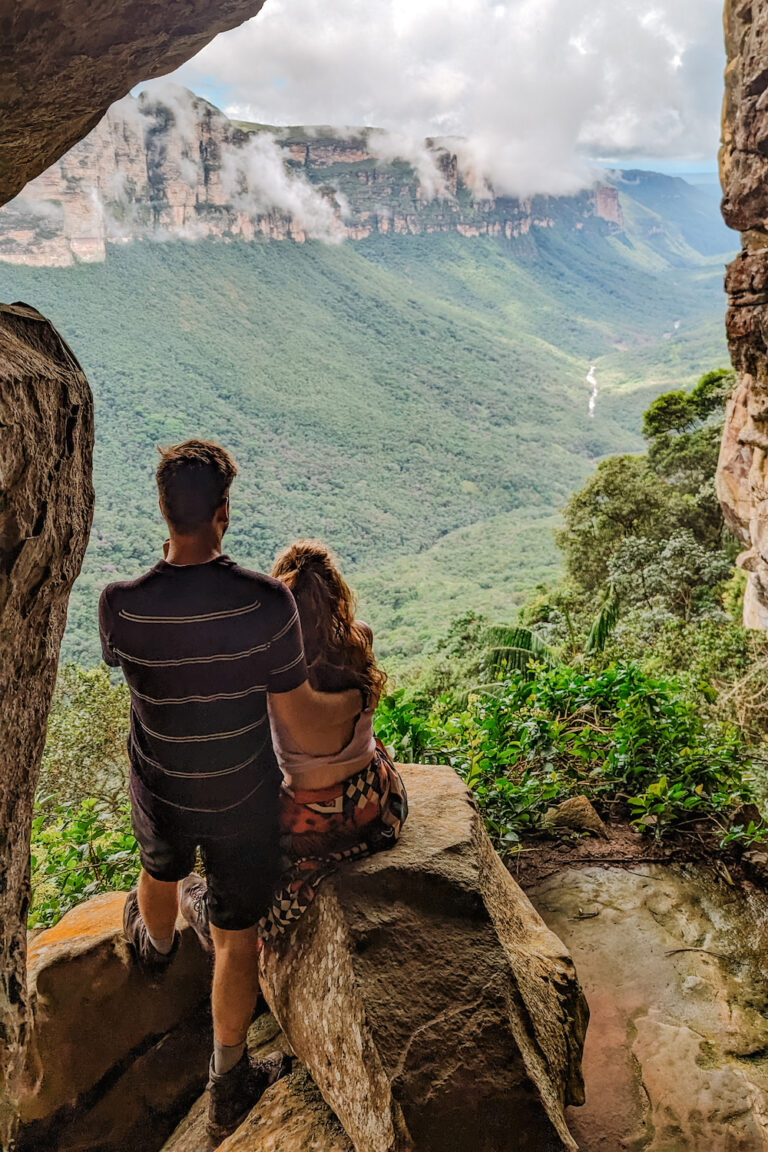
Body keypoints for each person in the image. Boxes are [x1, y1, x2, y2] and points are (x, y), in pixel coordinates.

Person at [98, 441, 362, 1139]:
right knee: (235, 935)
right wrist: (357, 705)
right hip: (241, 797)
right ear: (222, 514)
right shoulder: (265, 603)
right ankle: (229, 1080)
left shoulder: (121, 606)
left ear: (163, 511)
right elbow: (297, 710)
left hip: (161, 783)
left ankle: (153, 948)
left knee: (160, 865)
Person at [257, 539, 408, 942]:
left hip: (310, 826)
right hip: (374, 804)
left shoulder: (270, 670)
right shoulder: (361, 639)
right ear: (336, 593)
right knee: (378, 751)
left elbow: (287, 726)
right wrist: (359, 699)